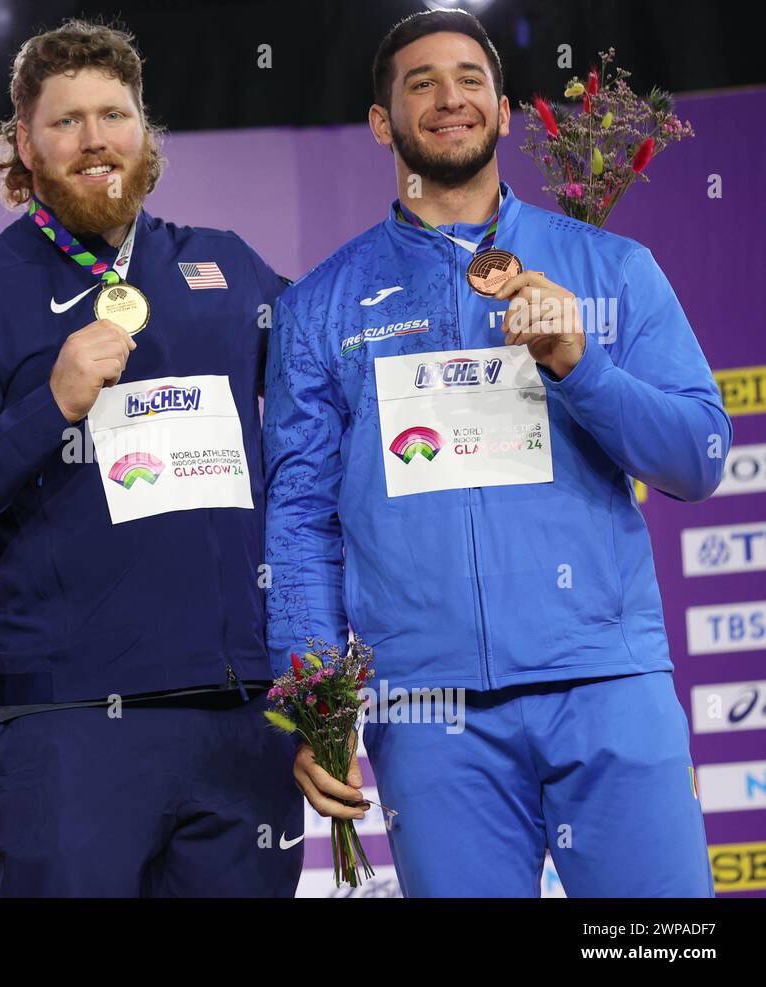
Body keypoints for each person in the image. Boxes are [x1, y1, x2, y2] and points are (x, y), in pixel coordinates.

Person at [264, 9, 730, 897]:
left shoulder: (610, 269)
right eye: (422, 84)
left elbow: (699, 457)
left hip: (607, 679)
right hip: (427, 707)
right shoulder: (320, 306)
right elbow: (298, 519)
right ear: (381, 123)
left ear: (506, 111)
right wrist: (317, 708)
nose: (450, 100)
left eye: (471, 80)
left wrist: (579, 366)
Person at [0, 20, 302, 897]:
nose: (94, 139)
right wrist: (51, 405)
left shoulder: (223, 266)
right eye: (66, 121)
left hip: (242, 719)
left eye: (115, 114)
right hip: (71, 723)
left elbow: (343, 382)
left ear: (145, 135)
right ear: (23, 146)